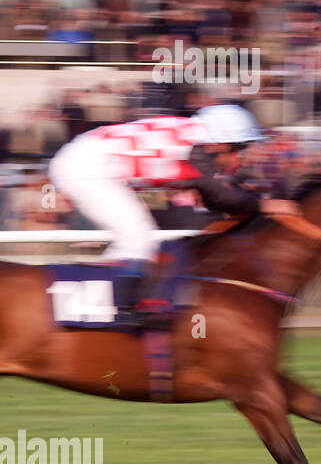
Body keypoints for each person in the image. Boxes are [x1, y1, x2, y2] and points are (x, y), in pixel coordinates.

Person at [47, 103, 298, 324]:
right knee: (137, 236)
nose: (240, 159)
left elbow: (217, 199)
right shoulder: (195, 148)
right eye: (238, 149)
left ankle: (115, 299)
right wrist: (266, 205)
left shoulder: (194, 138)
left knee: (139, 238)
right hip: (85, 169)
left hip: (90, 163)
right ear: (221, 143)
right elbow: (222, 198)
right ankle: (122, 310)